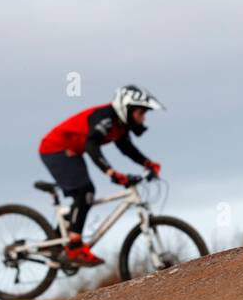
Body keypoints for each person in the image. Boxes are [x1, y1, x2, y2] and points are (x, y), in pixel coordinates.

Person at [38, 84, 164, 266]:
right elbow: (91, 145)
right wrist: (110, 172)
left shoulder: (119, 126)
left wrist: (148, 163)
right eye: (140, 113)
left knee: (82, 196)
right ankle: (74, 247)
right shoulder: (106, 118)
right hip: (55, 148)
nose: (143, 118)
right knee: (85, 190)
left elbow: (126, 148)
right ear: (127, 109)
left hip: (72, 151)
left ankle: (56, 243)